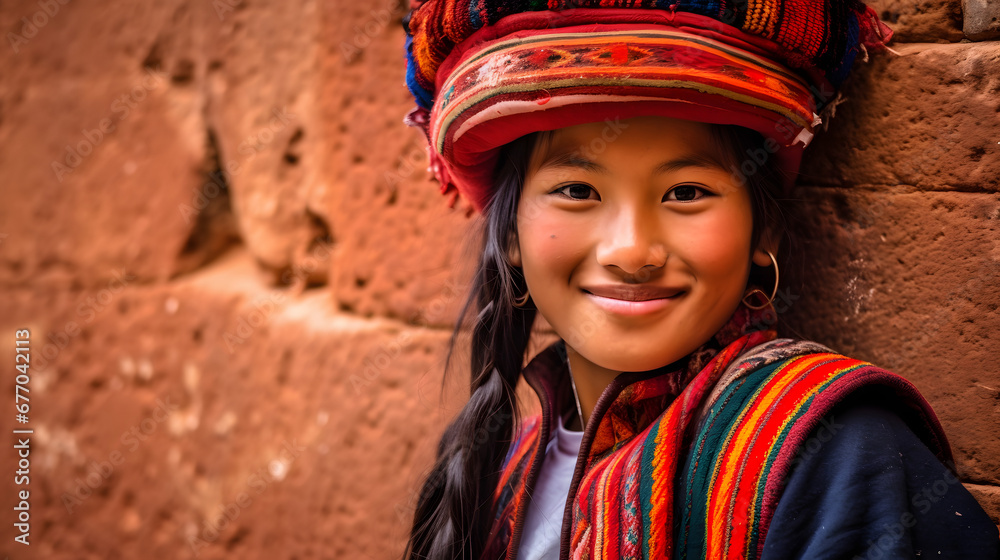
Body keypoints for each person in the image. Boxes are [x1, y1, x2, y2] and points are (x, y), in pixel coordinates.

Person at [398, 1, 1000, 559]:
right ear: (510, 237)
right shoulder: (496, 468)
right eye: (577, 191)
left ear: (763, 233)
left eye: (686, 192)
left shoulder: (832, 454)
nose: (632, 252)